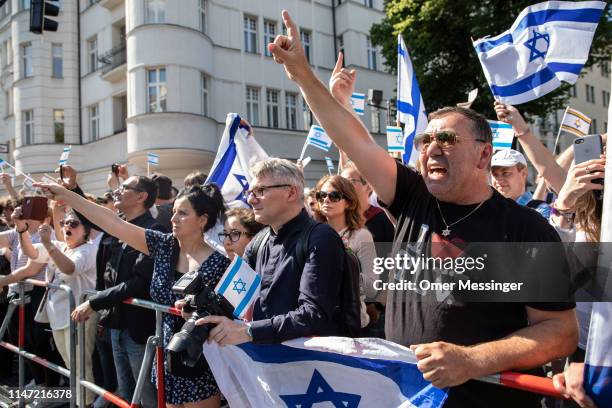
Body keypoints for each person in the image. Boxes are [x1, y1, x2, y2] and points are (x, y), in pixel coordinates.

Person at [267, 11, 578, 407]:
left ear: (484, 155)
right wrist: (301, 75)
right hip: (404, 396)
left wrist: (472, 359)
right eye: (425, 139)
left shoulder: (526, 229)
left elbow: (560, 331)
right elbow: (355, 139)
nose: (431, 147)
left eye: (446, 138)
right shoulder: (413, 198)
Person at [34, 180, 230, 408]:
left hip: (201, 362)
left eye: (183, 214)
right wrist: (66, 194)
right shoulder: (163, 245)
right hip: (166, 358)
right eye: (174, 211)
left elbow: (232, 319)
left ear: (203, 220)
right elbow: (111, 222)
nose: (174, 219)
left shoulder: (220, 264)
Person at [196, 158, 344, 346]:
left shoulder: (321, 238)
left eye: (261, 191)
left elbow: (313, 314)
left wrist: (250, 331)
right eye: (250, 192)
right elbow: (234, 300)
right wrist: (202, 312)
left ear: (291, 192)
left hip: (307, 367)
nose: (250, 199)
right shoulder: (259, 240)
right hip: (265, 365)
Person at [71, 174, 164, 408]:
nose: (118, 190)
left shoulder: (153, 231)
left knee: (147, 396)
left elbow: (138, 283)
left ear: (141, 196)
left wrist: (94, 303)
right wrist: (72, 189)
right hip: (116, 324)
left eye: (125, 187)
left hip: (139, 329)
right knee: (126, 392)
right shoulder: (117, 226)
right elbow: (91, 218)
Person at [18, 212, 98, 405]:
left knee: (81, 366)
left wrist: (48, 243)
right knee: (71, 365)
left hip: (80, 316)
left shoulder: (88, 250)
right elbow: (31, 252)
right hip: (58, 317)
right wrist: (21, 228)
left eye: (74, 223)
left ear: (86, 230)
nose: (67, 226)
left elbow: (70, 268)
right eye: (64, 222)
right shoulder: (60, 246)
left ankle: (85, 403)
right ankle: (79, 402)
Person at [314, 175, 376, 329]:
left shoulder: (362, 236)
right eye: (321, 196)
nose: (326, 200)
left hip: (349, 321)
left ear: (348, 202)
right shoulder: (312, 234)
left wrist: (345, 266)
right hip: (317, 319)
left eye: (334, 196)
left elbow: (372, 288)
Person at [491, 149, 552, 218]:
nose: (499, 180)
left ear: (524, 173)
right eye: (495, 174)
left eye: (505, 173)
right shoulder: (485, 208)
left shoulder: (541, 210)